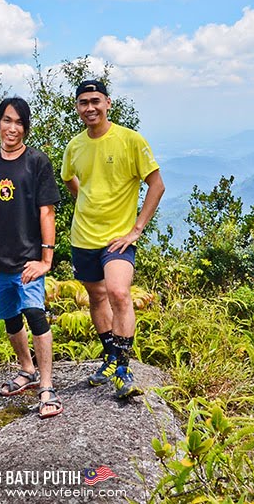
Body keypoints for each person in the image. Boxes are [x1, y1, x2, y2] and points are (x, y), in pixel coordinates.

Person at [61, 79, 164, 400]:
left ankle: (122, 367)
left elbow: (156, 185)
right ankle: (109, 356)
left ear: (108, 103)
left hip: (119, 239)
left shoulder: (130, 140)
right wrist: (87, 202)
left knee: (119, 293)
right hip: (83, 236)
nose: (89, 107)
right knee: (96, 297)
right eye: (83, 102)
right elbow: (69, 180)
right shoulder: (75, 146)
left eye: (95, 101)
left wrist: (136, 229)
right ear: (77, 107)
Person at [0, 97, 63, 418]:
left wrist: (46, 259)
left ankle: (47, 386)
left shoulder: (37, 163)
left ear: (26, 127)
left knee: (35, 316)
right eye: (7, 120)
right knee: (10, 319)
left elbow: (47, 212)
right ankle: (27, 369)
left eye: (19, 122)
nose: (12, 128)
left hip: (29, 260)